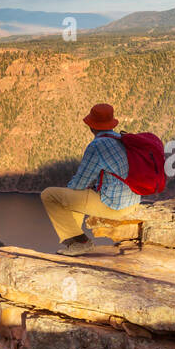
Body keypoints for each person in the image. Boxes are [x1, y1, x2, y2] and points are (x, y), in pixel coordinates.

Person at [41, 103, 139, 256]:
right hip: (133, 201)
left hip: (115, 206)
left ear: (91, 126)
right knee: (75, 196)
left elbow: (79, 183)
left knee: (50, 195)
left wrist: (68, 194)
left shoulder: (97, 145)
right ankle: (77, 242)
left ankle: (80, 243)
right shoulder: (121, 139)